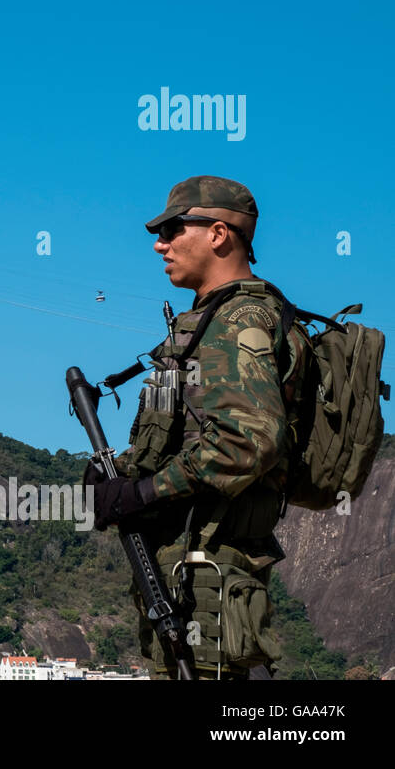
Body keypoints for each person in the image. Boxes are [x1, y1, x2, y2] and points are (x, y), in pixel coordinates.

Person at [88, 176, 310, 679]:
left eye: (171, 228)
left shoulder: (239, 320)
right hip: (188, 572)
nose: (159, 243)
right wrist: (118, 478)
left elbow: (248, 440)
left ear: (217, 233)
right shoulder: (209, 322)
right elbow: (182, 436)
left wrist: (144, 492)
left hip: (211, 575)